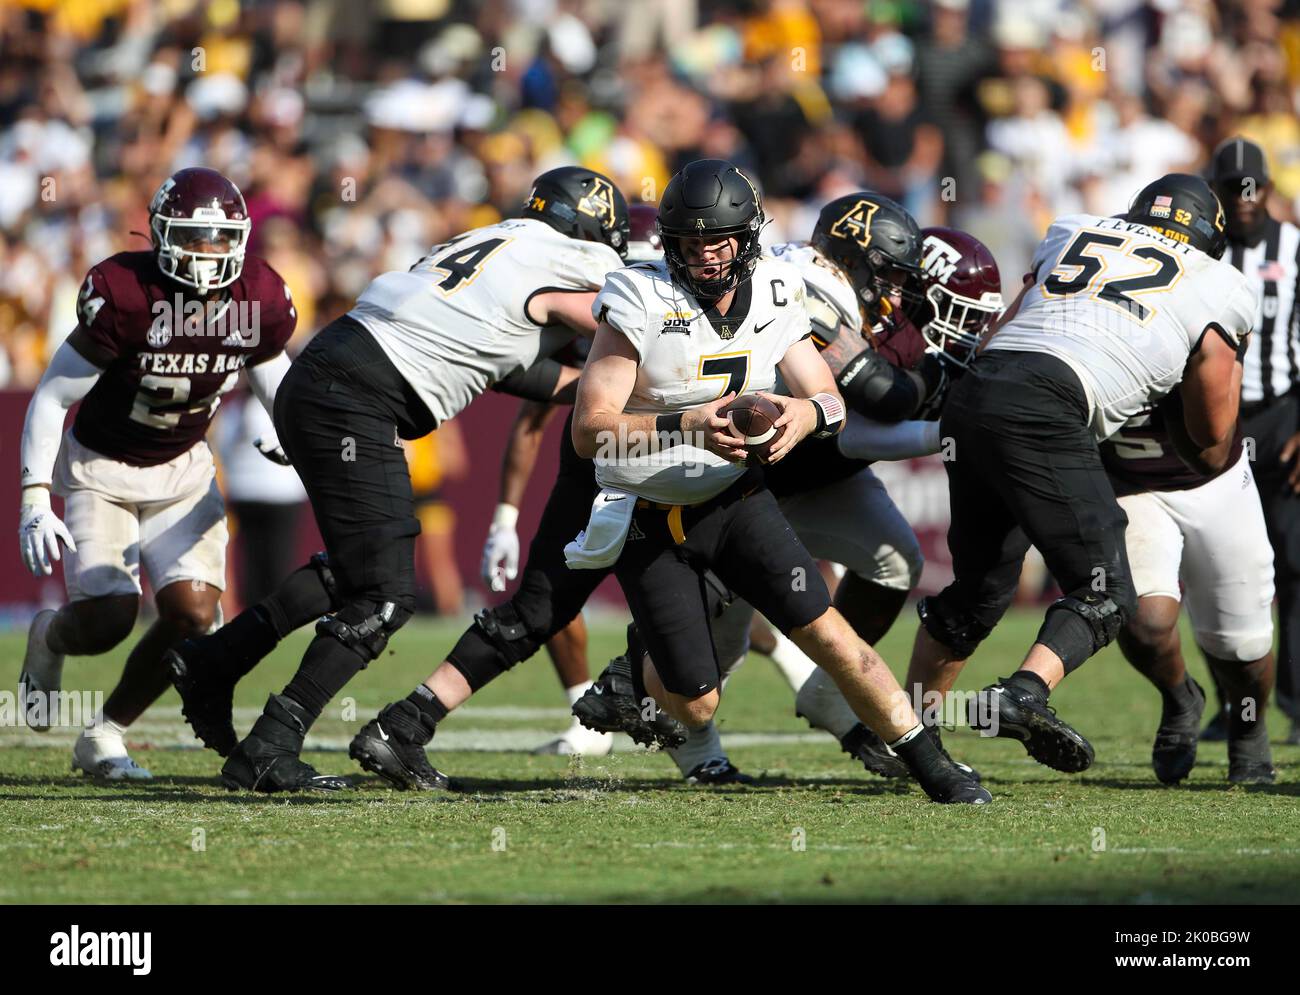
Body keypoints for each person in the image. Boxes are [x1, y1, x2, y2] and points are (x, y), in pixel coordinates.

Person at [164, 166, 630, 792]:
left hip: (327, 373)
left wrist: (586, 389)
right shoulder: (575, 264)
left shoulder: (496, 244)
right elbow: (633, 310)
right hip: (359, 396)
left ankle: (215, 663)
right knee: (384, 597)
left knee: (353, 571)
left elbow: (506, 366)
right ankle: (271, 743)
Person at [561, 159, 987, 804]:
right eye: (691, 240)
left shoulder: (777, 289)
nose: (705, 254)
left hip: (737, 495)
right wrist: (688, 424)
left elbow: (831, 400)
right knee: (697, 702)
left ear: (747, 237)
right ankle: (638, 680)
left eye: (720, 239)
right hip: (652, 511)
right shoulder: (639, 297)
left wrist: (804, 413)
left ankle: (934, 767)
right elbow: (591, 431)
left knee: (834, 637)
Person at [903, 173, 1253, 774]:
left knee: (979, 591)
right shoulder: (1218, 281)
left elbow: (1000, 331)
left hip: (978, 393)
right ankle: (1024, 693)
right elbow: (1215, 435)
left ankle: (906, 735)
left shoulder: (1075, 229)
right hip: (1051, 402)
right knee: (1107, 591)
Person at [17, 167, 296, 779]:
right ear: (163, 235)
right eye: (194, 237)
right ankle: (52, 637)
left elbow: (276, 375)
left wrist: (295, 432)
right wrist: (35, 496)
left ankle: (106, 733)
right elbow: (53, 398)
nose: (209, 253)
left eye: (221, 238)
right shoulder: (124, 290)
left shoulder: (258, 296)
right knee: (109, 617)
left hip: (183, 469)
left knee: (195, 615)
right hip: (101, 467)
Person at [1102, 393, 1277, 784]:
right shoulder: (1076, 330)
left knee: (1243, 646)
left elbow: (1212, 444)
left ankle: (1248, 727)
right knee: (1142, 621)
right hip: (1127, 481)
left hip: (1216, 481)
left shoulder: (1202, 332)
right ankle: (1181, 697)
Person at [1207, 136, 1300, 747]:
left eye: (1252, 188)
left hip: (1286, 416)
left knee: (1292, 564)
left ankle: (1293, 703)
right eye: (1230, 189)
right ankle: (1236, 706)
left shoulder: (1295, 247)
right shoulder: (1201, 249)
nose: (1242, 201)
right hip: (1217, 422)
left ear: (1267, 189)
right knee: (1219, 568)